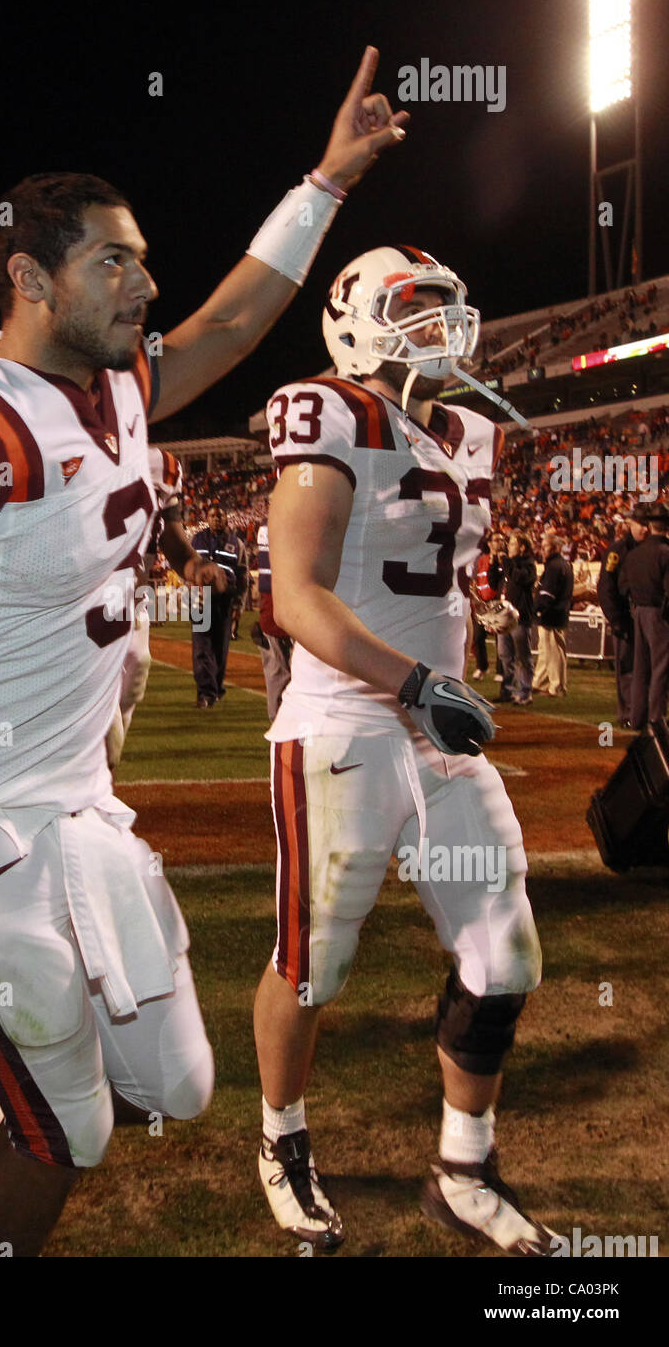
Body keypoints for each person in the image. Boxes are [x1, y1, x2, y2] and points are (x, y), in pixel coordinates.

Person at [0, 47, 410, 1258]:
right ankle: (2, 1143)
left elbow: (231, 320)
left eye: (140, 257)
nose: (145, 282)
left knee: (174, 1084)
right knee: (64, 1129)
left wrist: (327, 182)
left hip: (80, 801)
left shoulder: (119, 383)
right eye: (114, 262)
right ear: (30, 278)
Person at [253, 244, 557, 1257]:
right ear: (355, 322)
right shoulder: (329, 410)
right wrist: (418, 681)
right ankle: (281, 1141)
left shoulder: (468, 431)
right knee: (312, 963)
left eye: (443, 307)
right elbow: (296, 596)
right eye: (414, 308)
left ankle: (463, 1169)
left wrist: (448, 668)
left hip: (438, 730)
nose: (439, 324)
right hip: (343, 723)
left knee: (503, 954)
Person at [106, 446, 227, 767]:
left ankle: (97, 783)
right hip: (78, 612)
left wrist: (195, 565)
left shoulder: (161, 466)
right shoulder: (63, 447)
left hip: (132, 610)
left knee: (135, 678)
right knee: (105, 737)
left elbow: (172, 540)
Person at [190, 505, 246, 707]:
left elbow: (242, 575)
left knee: (220, 648)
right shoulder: (196, 539)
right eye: (213, 515)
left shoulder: (236, 543)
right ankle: (206, 693)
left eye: (220, 516)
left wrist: (239, 604)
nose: (216, 519)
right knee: (201, 646)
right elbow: (188, 566)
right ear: (207, 518)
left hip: (225, 599)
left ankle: (216, 687)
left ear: (226, 519)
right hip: (201, 598)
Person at [619, 503, 669, 732]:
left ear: (650, 525)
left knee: (640, 667)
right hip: (659, 614)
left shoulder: (634, 554)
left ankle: (637, 717)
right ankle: (656, 718)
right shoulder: (665, 553)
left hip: (638, 612)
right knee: (661, 667)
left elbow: (623, 587)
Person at [597, 512, 645, 728]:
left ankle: (644, 712)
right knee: (627, 667)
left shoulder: (652, 548)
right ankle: (628, 713)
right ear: (630, 524)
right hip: (625, 616)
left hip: (646, 616)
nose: (645, 529)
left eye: (647, 524)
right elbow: (606, 587)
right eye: (640, 524)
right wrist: (616, 619)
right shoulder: (617, 550)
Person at [254, 520, 292, 720]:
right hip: (290, 615)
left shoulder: (267, 527)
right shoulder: (284, 524)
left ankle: (280, 729)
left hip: (272, 614)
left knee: (277, 679)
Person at [531, 533, 573, 697]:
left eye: (545, 547)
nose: (541, 550)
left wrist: (537, 608)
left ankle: (557, 686)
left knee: (554, 651)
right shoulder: (560, 564)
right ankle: (539, 682)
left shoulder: (554, 566)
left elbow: (547, 594)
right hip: (556, 613)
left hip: (552, 614)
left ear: (555, 548)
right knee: (545, 650)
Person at [497, 532, 536, 705]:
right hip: (504, 617)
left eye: (512, 543)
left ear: (522, 547)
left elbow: (519, 578)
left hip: (520, 617)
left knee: (523, 656)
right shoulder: (508, 564)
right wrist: (493, 565)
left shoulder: (528, 564)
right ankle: (508, 690)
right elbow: (495, 582)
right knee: (505, 655)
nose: (508, 546)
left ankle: (525, 692)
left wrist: (507, 562)